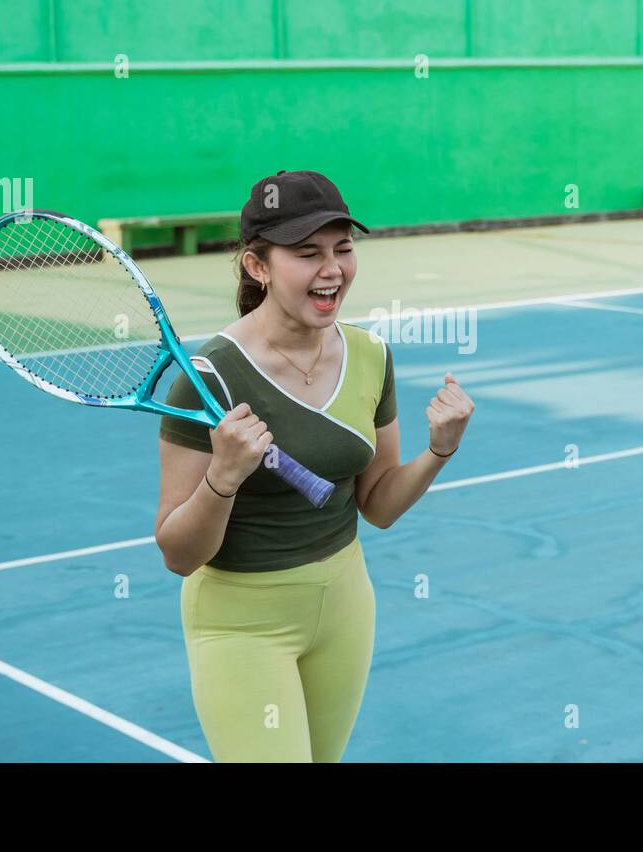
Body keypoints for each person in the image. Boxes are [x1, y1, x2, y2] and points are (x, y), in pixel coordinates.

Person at [154, 170, 475, 761]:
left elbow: (376, 504)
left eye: (343, 249)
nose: (332, 269)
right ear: (258, 266)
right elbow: (178, 553)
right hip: (241, 624)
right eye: (307, 253)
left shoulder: (372, 355)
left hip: (346, 606)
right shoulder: (207, 380)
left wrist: (439, 451)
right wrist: (223, 477)